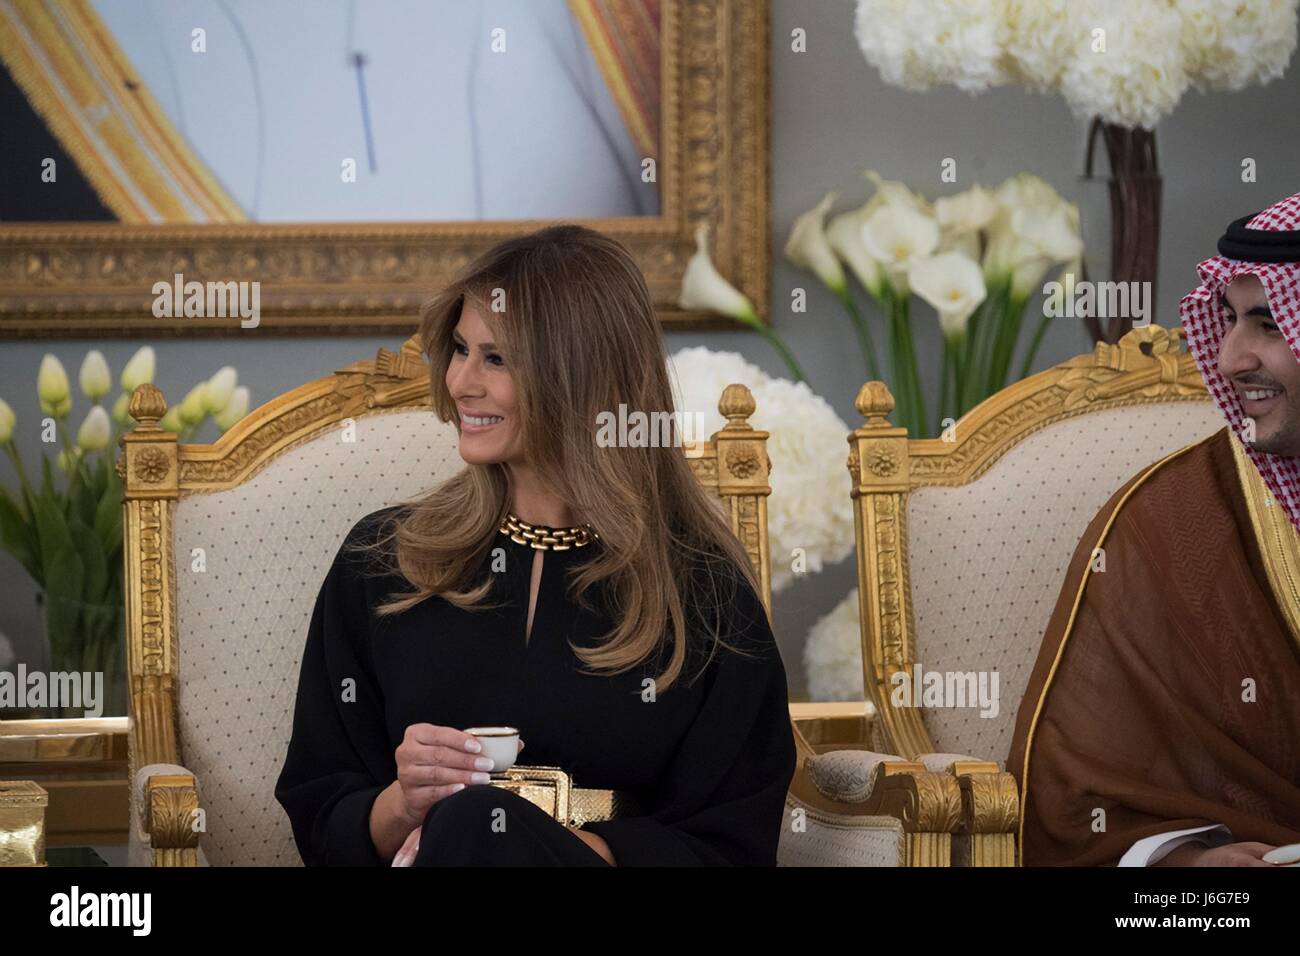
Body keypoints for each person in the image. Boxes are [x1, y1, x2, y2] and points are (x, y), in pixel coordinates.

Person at [274, 223, 796, 866]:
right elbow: (321, 814)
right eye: (460, 350)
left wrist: (525, 844)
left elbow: (733, 842)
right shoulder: (383, 561)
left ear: (582, 380)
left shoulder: (702, 588)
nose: (461, 382)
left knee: (478, 824)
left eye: (496, 359)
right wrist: (405, 805)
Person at [1007, 193, 1300, 867]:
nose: (1229, 360)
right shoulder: (1175, 520)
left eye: (1269, 325)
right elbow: (1075, 797)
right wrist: (1186, 865)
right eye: (1227, 321)